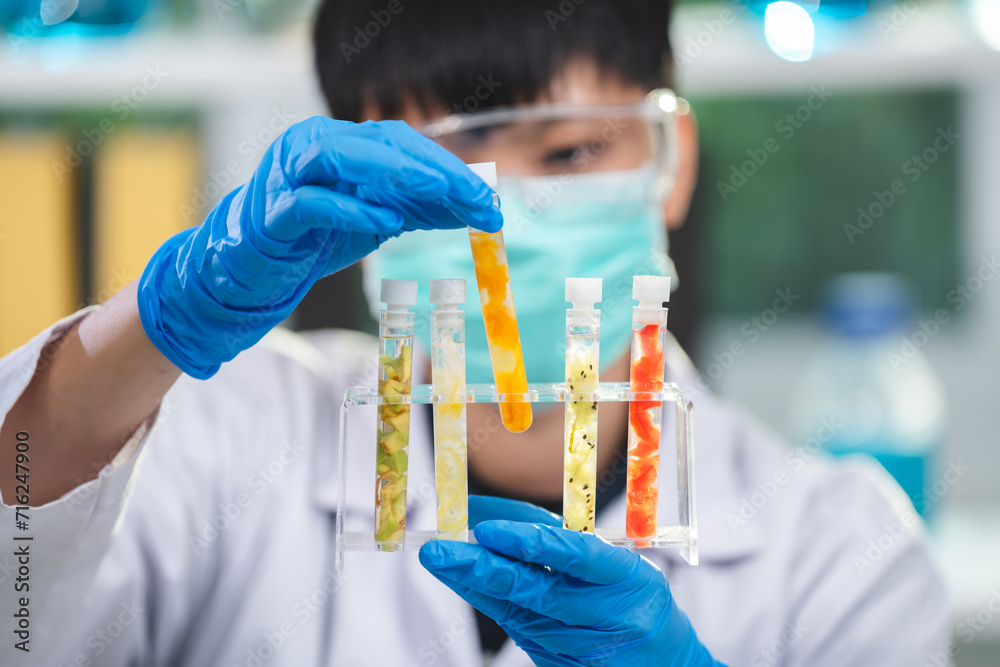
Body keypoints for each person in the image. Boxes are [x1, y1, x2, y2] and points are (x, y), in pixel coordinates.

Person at [0, 0, 950, 665]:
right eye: (440, 162)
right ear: (350, 176)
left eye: (572, 151)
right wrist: (161, 322)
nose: (508, 218)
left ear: (671, 156)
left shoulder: (843, 549)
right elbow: (15, 588)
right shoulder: (231, 431)